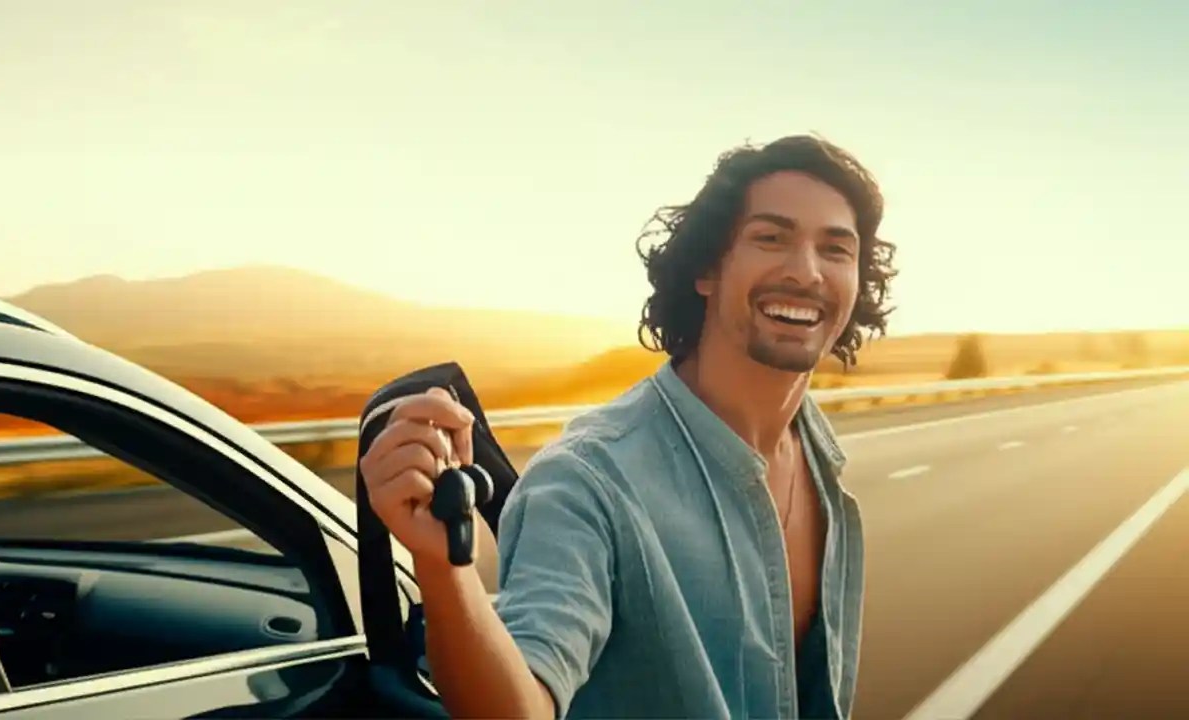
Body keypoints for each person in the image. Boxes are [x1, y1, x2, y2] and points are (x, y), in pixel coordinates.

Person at [360, 133, 898, 719]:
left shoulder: (821, 462)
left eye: (836, 250)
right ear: (706, 270)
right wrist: (444, 572)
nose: (807, 272)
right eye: (771, 238)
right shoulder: (589, 480)